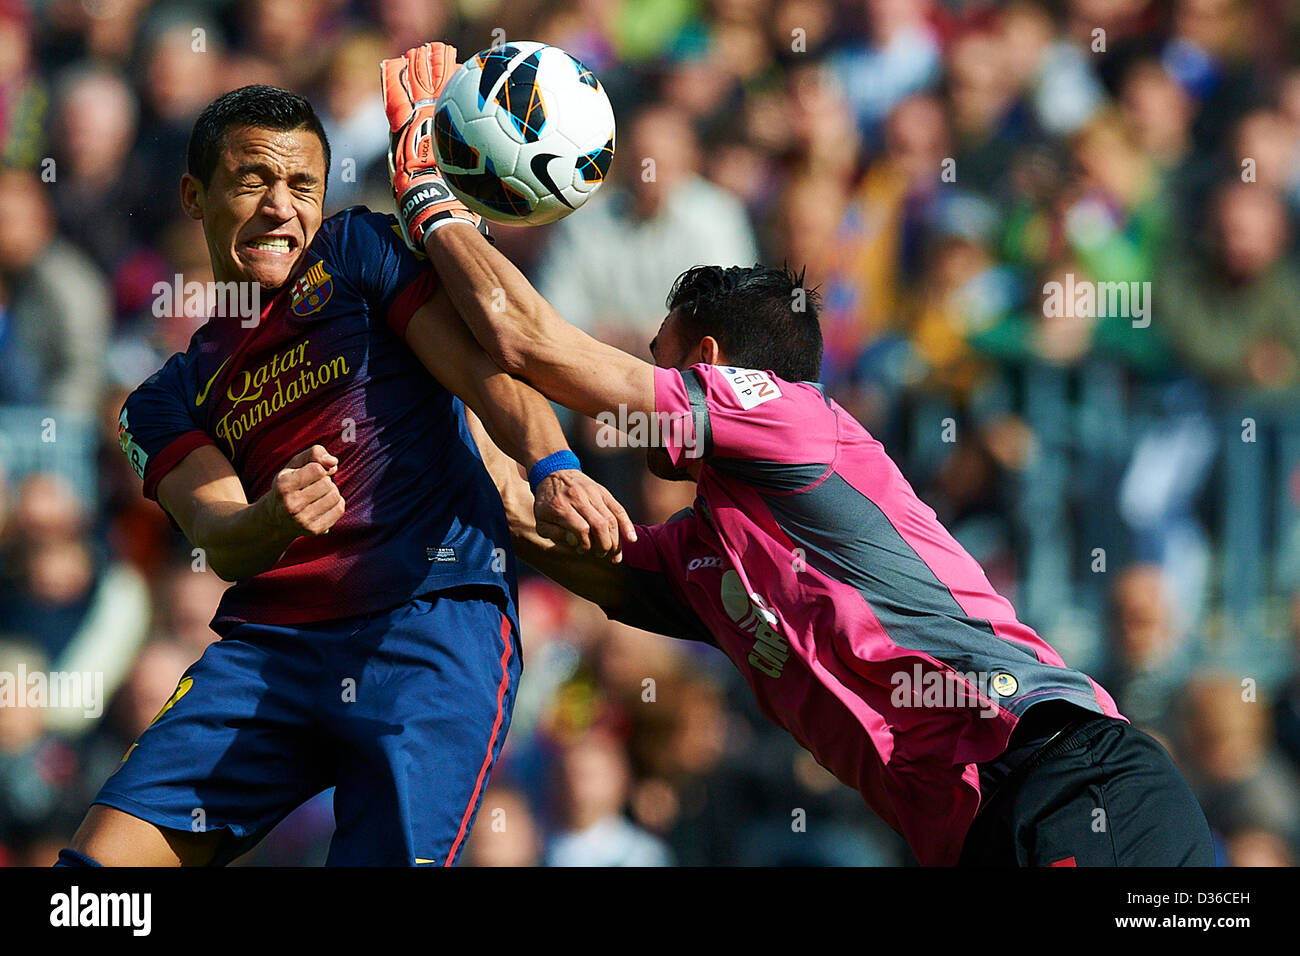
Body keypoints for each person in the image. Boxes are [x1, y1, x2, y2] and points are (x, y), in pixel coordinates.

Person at [390, 41, 1216, 867]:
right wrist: (399, 338)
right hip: (977, 835)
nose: (641, 378)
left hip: (1066, 775)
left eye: (656, 355)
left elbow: (528, 339)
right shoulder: (703, 554)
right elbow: (535, 526)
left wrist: (426, 188)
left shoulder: (794, 420)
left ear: (707, 364)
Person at [58, 79, 630, 867]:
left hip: (428, 627)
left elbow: (486, 376)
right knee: (89, 887)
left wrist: (554, 462)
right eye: (252, 179)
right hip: (268, 654)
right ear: (195, 196)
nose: (279, 207)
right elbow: (221, 537)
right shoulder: (161, 400)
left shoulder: (356, 250)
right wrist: (275, 516)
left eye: (301, 186)